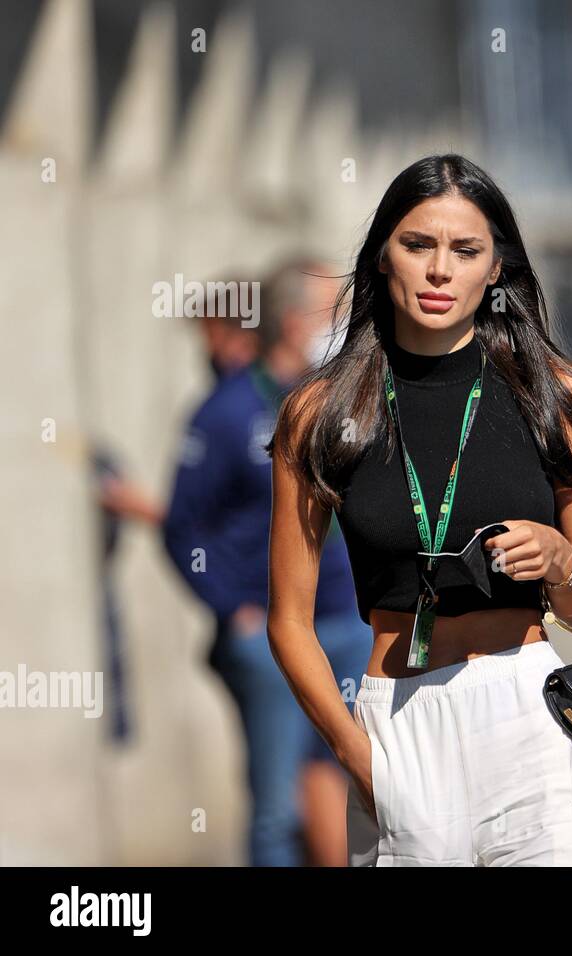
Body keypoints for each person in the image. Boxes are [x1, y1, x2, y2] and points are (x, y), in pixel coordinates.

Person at [265, 154, 572, 867]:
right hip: (396, 724)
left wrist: (560, 558)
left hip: (531, 718)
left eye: (465, 251)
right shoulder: (320, 413)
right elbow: (289, 622)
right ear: (382, 256)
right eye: (417, 244)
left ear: (495, 269)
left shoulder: (559, 396)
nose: (438, 270)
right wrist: (356, 755)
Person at [162, 257, 373, 866]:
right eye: (329, 310)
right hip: (270, 634)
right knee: (277, 807)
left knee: (357, 784)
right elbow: (182, 528)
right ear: (288, 321)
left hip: (346, 625)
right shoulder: (225, 413)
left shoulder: (334, 402)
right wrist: (234, 609)